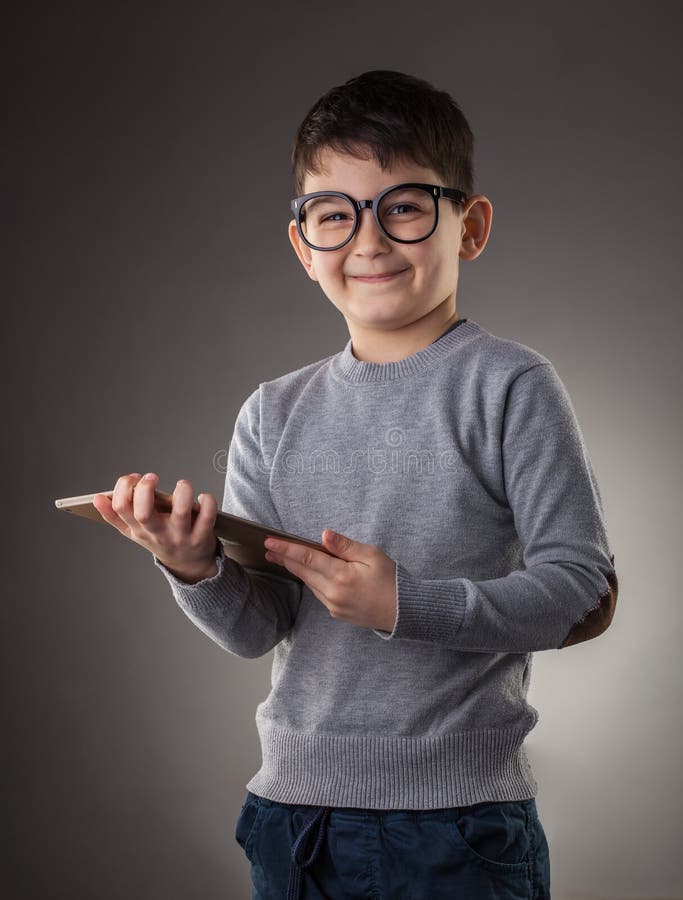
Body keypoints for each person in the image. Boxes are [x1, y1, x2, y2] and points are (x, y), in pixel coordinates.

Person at [93, 70, 618, 899]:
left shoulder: (510, 385)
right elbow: (257, 629)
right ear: (304, 246)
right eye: (334, 216)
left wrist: (403, 604)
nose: (368, 243)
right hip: (293, 819)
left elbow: (579, 591)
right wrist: (193, 568)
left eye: (403, 206)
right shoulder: (272, 411)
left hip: (459, 826)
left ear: (468, 226)